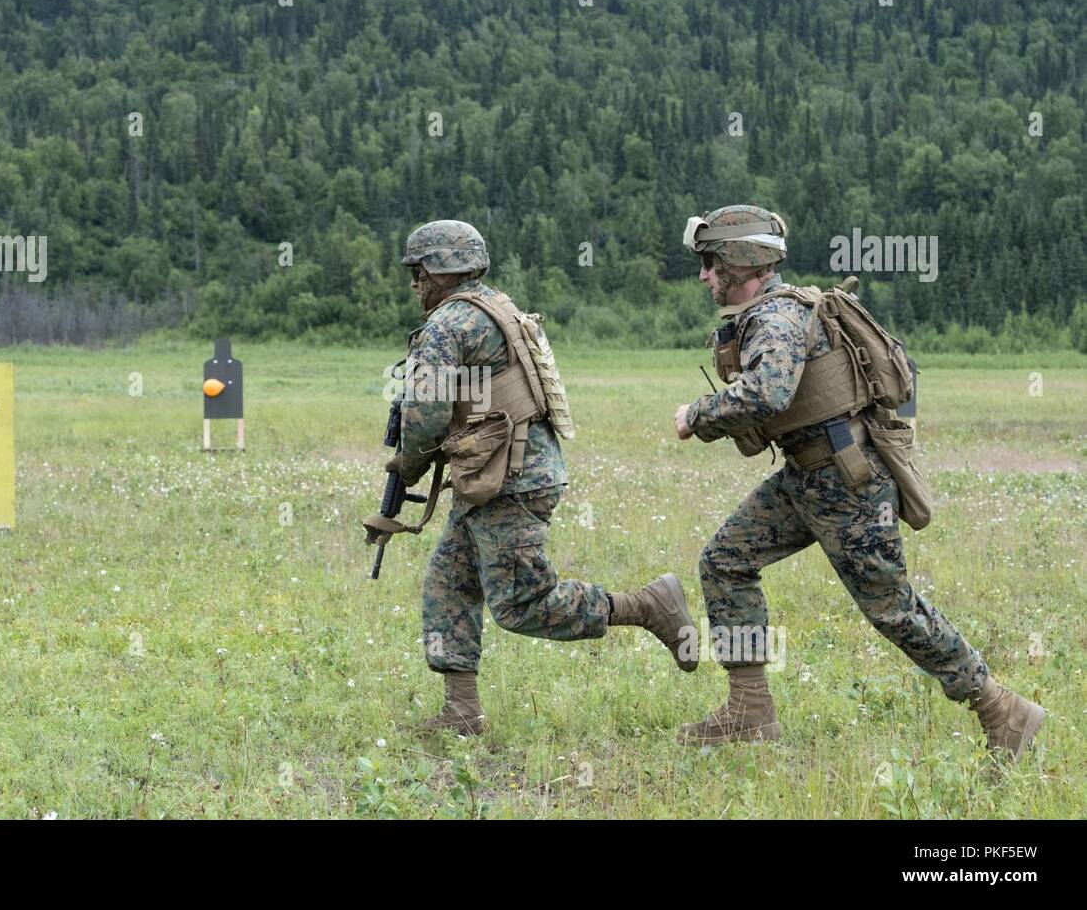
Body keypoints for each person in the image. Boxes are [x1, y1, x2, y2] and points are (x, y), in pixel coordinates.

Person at [672, 204, 1045, 761]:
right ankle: (749, 709)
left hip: (846, 483)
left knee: (892, 609)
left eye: (709, 261)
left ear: (738, 259)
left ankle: (1003, 710)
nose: (703, 275)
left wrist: (696, 415)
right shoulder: (780, 308)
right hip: (809, 475)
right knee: (725, 561)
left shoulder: (774, 318)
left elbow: (766, 394)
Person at [391, 219, 696, 735]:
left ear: (439, 270)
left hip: (509, 479)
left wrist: (406, 466)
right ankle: (462, 711)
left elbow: (424, 417)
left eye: (418, 272)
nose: (415, 283)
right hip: (508, 471)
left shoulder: (448, 325)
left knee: (521, 603)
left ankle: (648, 606)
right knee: (449, 581)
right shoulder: (497, 308)